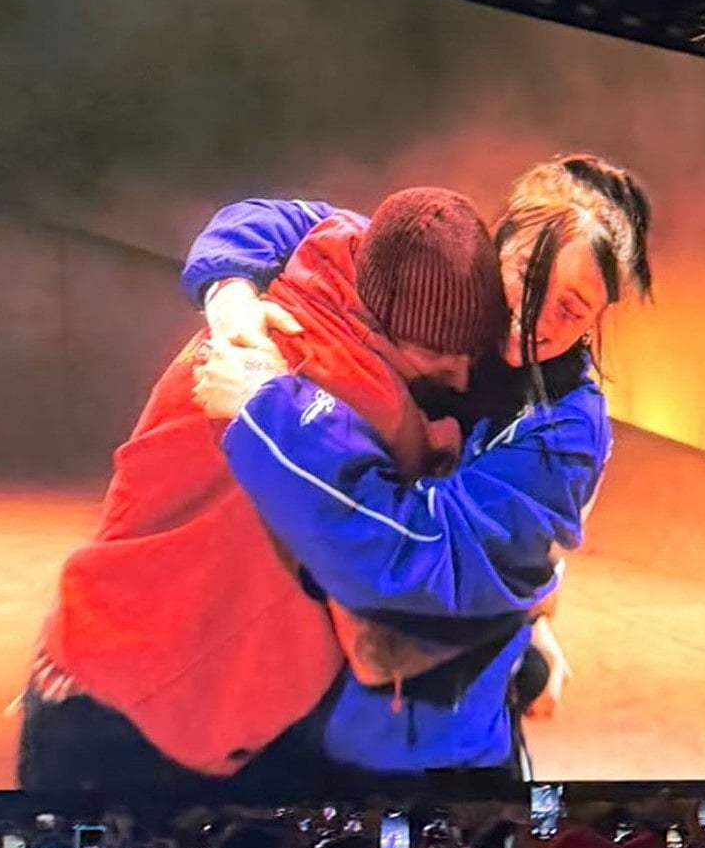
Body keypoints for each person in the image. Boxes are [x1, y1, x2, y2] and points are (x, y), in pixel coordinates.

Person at [18, 188, 510, 795]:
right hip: (145, 730)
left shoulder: (320, 269)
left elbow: (291, 217)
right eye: (436, 352)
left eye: (471, 353)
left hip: (88, 654)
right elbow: (408, 575)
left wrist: (226, 286)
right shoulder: (371, 407)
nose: (458, 374)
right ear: (378, 317)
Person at [191, 154, 653, 780]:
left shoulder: (564, 434)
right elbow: (273, 223)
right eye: (525, 275)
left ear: (598, 320)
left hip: (437, 743)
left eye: (571, 308)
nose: (536, 316)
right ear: (496, 243)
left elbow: (424, 555)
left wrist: (271, 407)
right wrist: (230, 296)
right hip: (307, 706)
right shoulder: (436, 281)